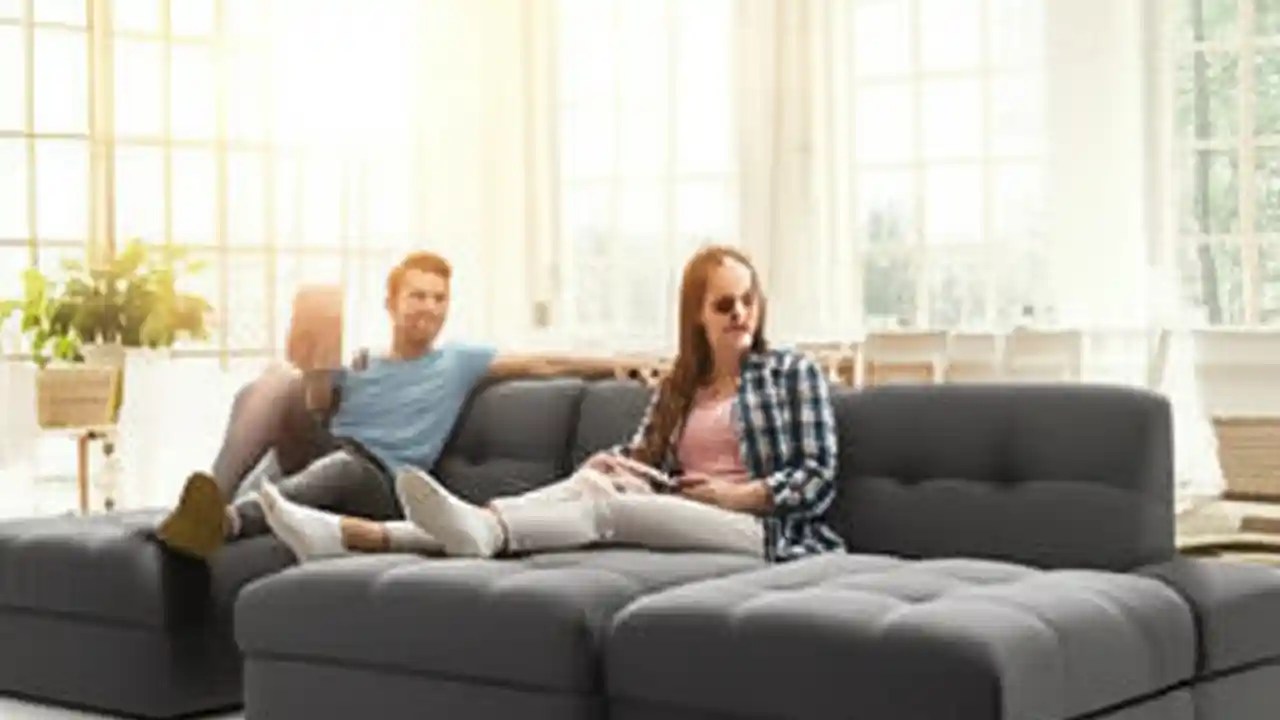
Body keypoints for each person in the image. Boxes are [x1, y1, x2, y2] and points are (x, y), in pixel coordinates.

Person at [255, 245, 846, 564]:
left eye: (748, 301)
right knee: (590, 486)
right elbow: (644, 455)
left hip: (762, 532)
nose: (740, 313)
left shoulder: (793, 374)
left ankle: (478, 533)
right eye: (724, 304)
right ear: (697, 312)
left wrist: (737, 495)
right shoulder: (679, 386)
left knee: (612, 512)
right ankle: (353, 536)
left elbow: (818, 479)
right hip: (681, 505)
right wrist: (611, 464)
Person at [155, 250, 608, 560]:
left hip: (381, 483)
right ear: (391, 304)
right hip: (333, 450)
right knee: (276, 380)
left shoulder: (458, 361)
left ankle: (230, 520)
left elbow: (547, 361)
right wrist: (316, 363)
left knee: (346, 465)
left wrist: (632, 368)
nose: (429, 307)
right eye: (417, 296)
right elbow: (315, 407)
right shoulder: (362, 360)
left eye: (439, 298)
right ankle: (209, 500)